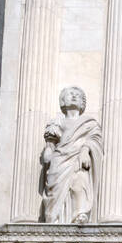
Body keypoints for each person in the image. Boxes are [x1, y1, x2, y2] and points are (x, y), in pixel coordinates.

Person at [40, 87, 103, 224]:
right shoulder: (57, 121)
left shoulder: (89, 123)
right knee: (54, 191)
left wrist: (86, 149)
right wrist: (48, 150)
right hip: (59, 160)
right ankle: (54, 218)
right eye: (70, 94)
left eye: (78, 95)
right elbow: (50, 144)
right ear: (62, 101)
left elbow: (95, 139)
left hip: (79, 158)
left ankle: (79, 213)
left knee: (79, 183)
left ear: (83, 103)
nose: (74, 96)